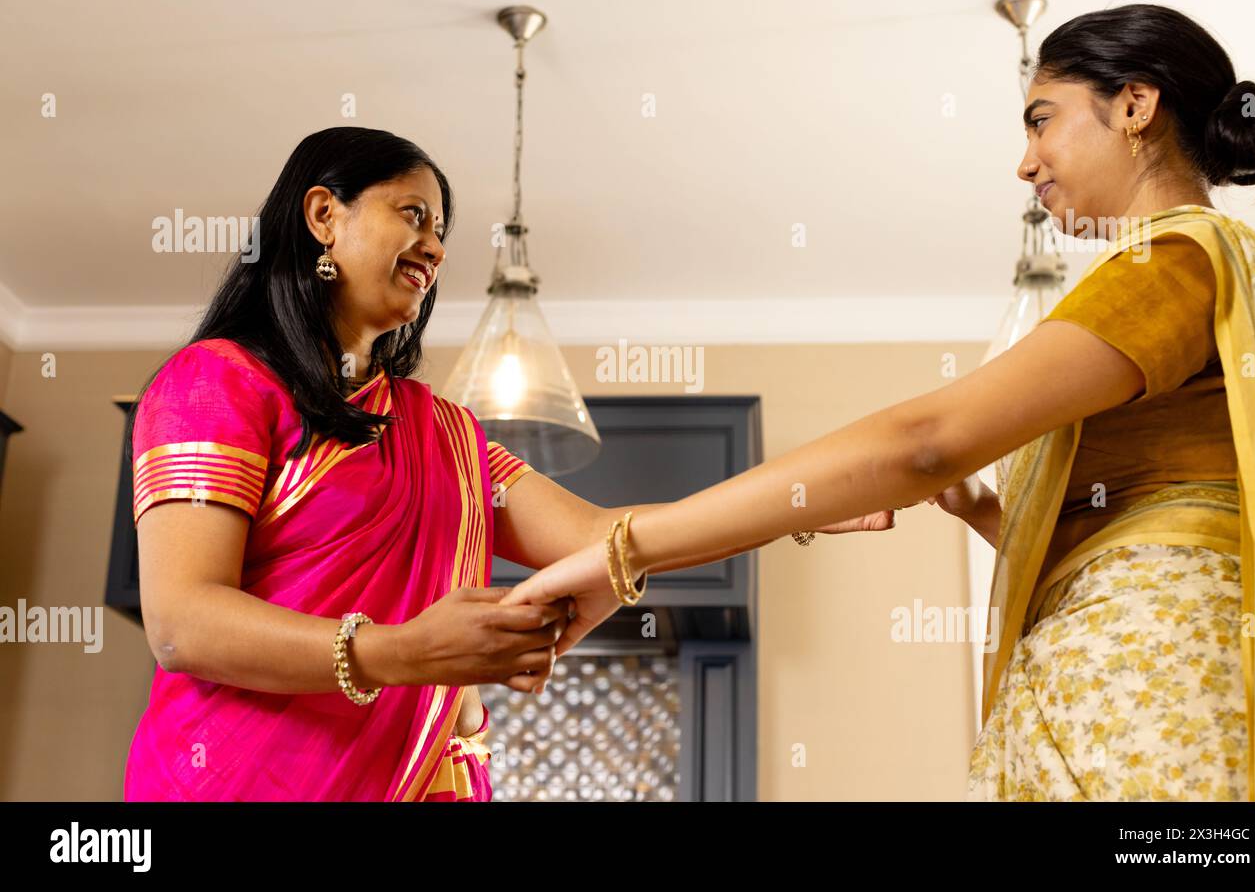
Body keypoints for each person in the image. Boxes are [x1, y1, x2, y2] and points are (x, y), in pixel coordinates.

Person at [505, 4, 1255, 801]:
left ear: (1134, 104)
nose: (1025, 164)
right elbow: (1141, 524)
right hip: (1143, 679)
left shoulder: (1177, 261)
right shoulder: (1201, 273)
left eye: (1041, 121)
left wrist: (630, 547)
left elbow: (924, 439)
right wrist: (986, 510)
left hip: (1147, 686)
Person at [123, 126, 879, 801]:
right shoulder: (217, 382)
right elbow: (182, 622)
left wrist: (799, 503)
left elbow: (605, 536)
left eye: (441, 229)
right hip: (237, 776)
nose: (437, 248)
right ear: (324, 214)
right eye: (413, 214)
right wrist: (399, 652)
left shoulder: (444, 432)